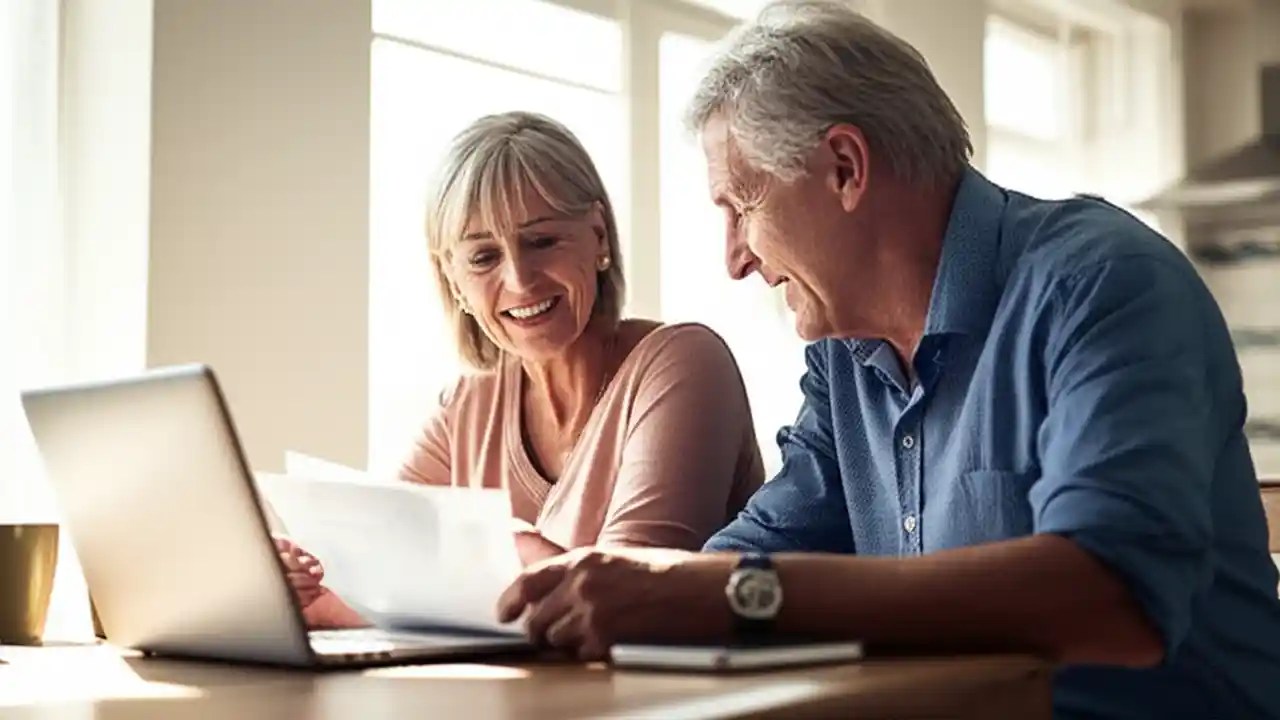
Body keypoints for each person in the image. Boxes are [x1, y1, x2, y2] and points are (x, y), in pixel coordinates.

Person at [495, 3, 1280, 718]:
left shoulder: (1103, 283)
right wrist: (597, 600)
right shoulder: (844, 358)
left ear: (844, 167)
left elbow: (1115, 601)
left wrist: (731, 594)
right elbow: (752, 559)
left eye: (744, 207)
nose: (735, 259)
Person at [282, 111, 765, 628]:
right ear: (453, 280)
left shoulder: (683, 363)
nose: (520, 279)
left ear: (598, 236)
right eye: (483, 257)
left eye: (542, 242)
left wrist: (500, 548)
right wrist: (303, 586)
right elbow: (378, 579)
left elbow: (625, 596)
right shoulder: (466, 405)